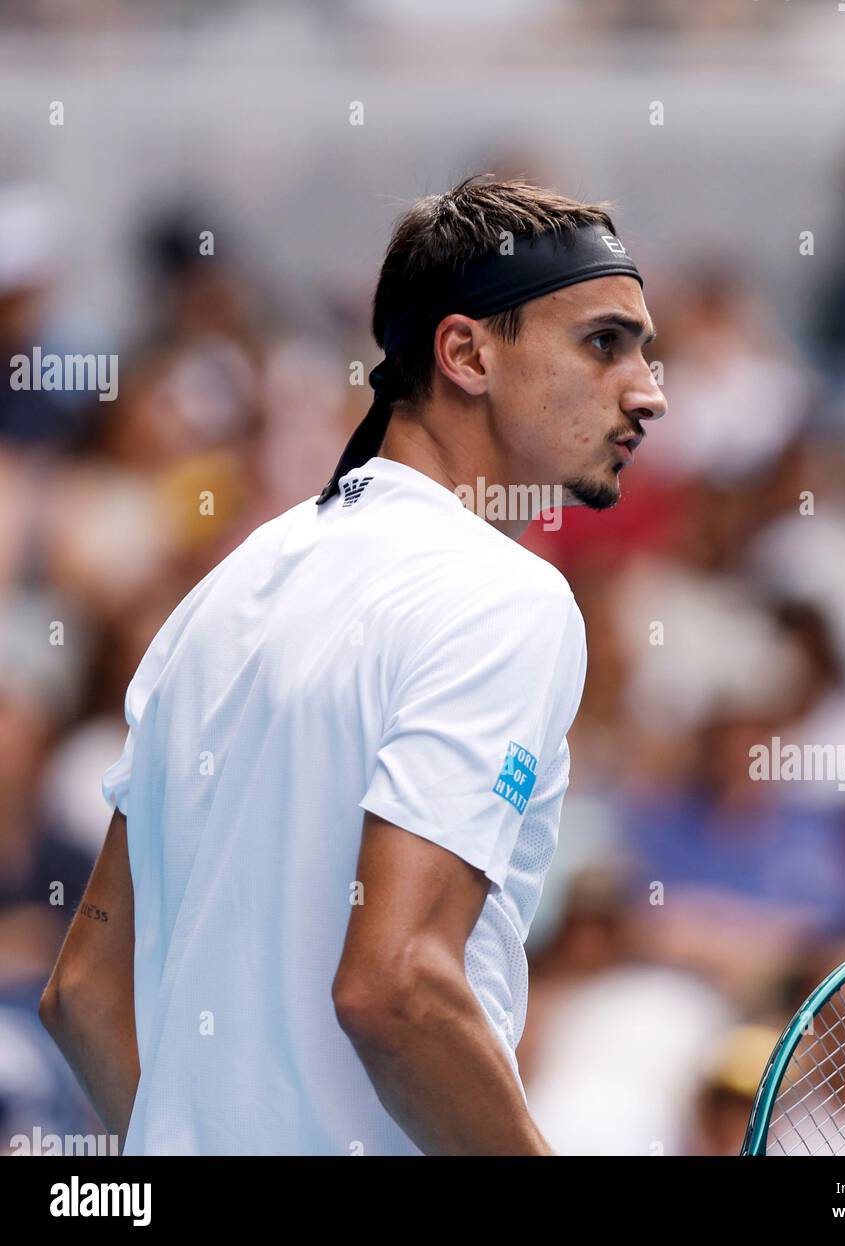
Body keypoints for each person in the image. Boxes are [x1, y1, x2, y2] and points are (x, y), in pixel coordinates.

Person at [37, 175, 666, 1155]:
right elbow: (395, 987)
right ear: (464, 353)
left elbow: (83, 992)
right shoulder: (509, 597)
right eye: (602, 343)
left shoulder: (223, 590)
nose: (648, 391)